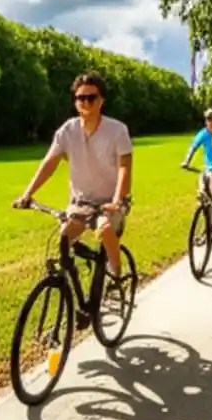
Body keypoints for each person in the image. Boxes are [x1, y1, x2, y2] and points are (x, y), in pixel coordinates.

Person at [14, 72, 133, 286]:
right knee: (62, 239)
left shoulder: (117, 130)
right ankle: (74, 295)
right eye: (80, 98)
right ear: (75, 101)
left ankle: (116, 276)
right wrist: (28, 194)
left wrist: (116, 201)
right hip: (81, 204)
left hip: (110, 202)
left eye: (91, 97)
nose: (85, 102)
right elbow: (49, 164)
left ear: (101, 100)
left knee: (105, 229)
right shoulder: (67, 131)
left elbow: (125, 168)